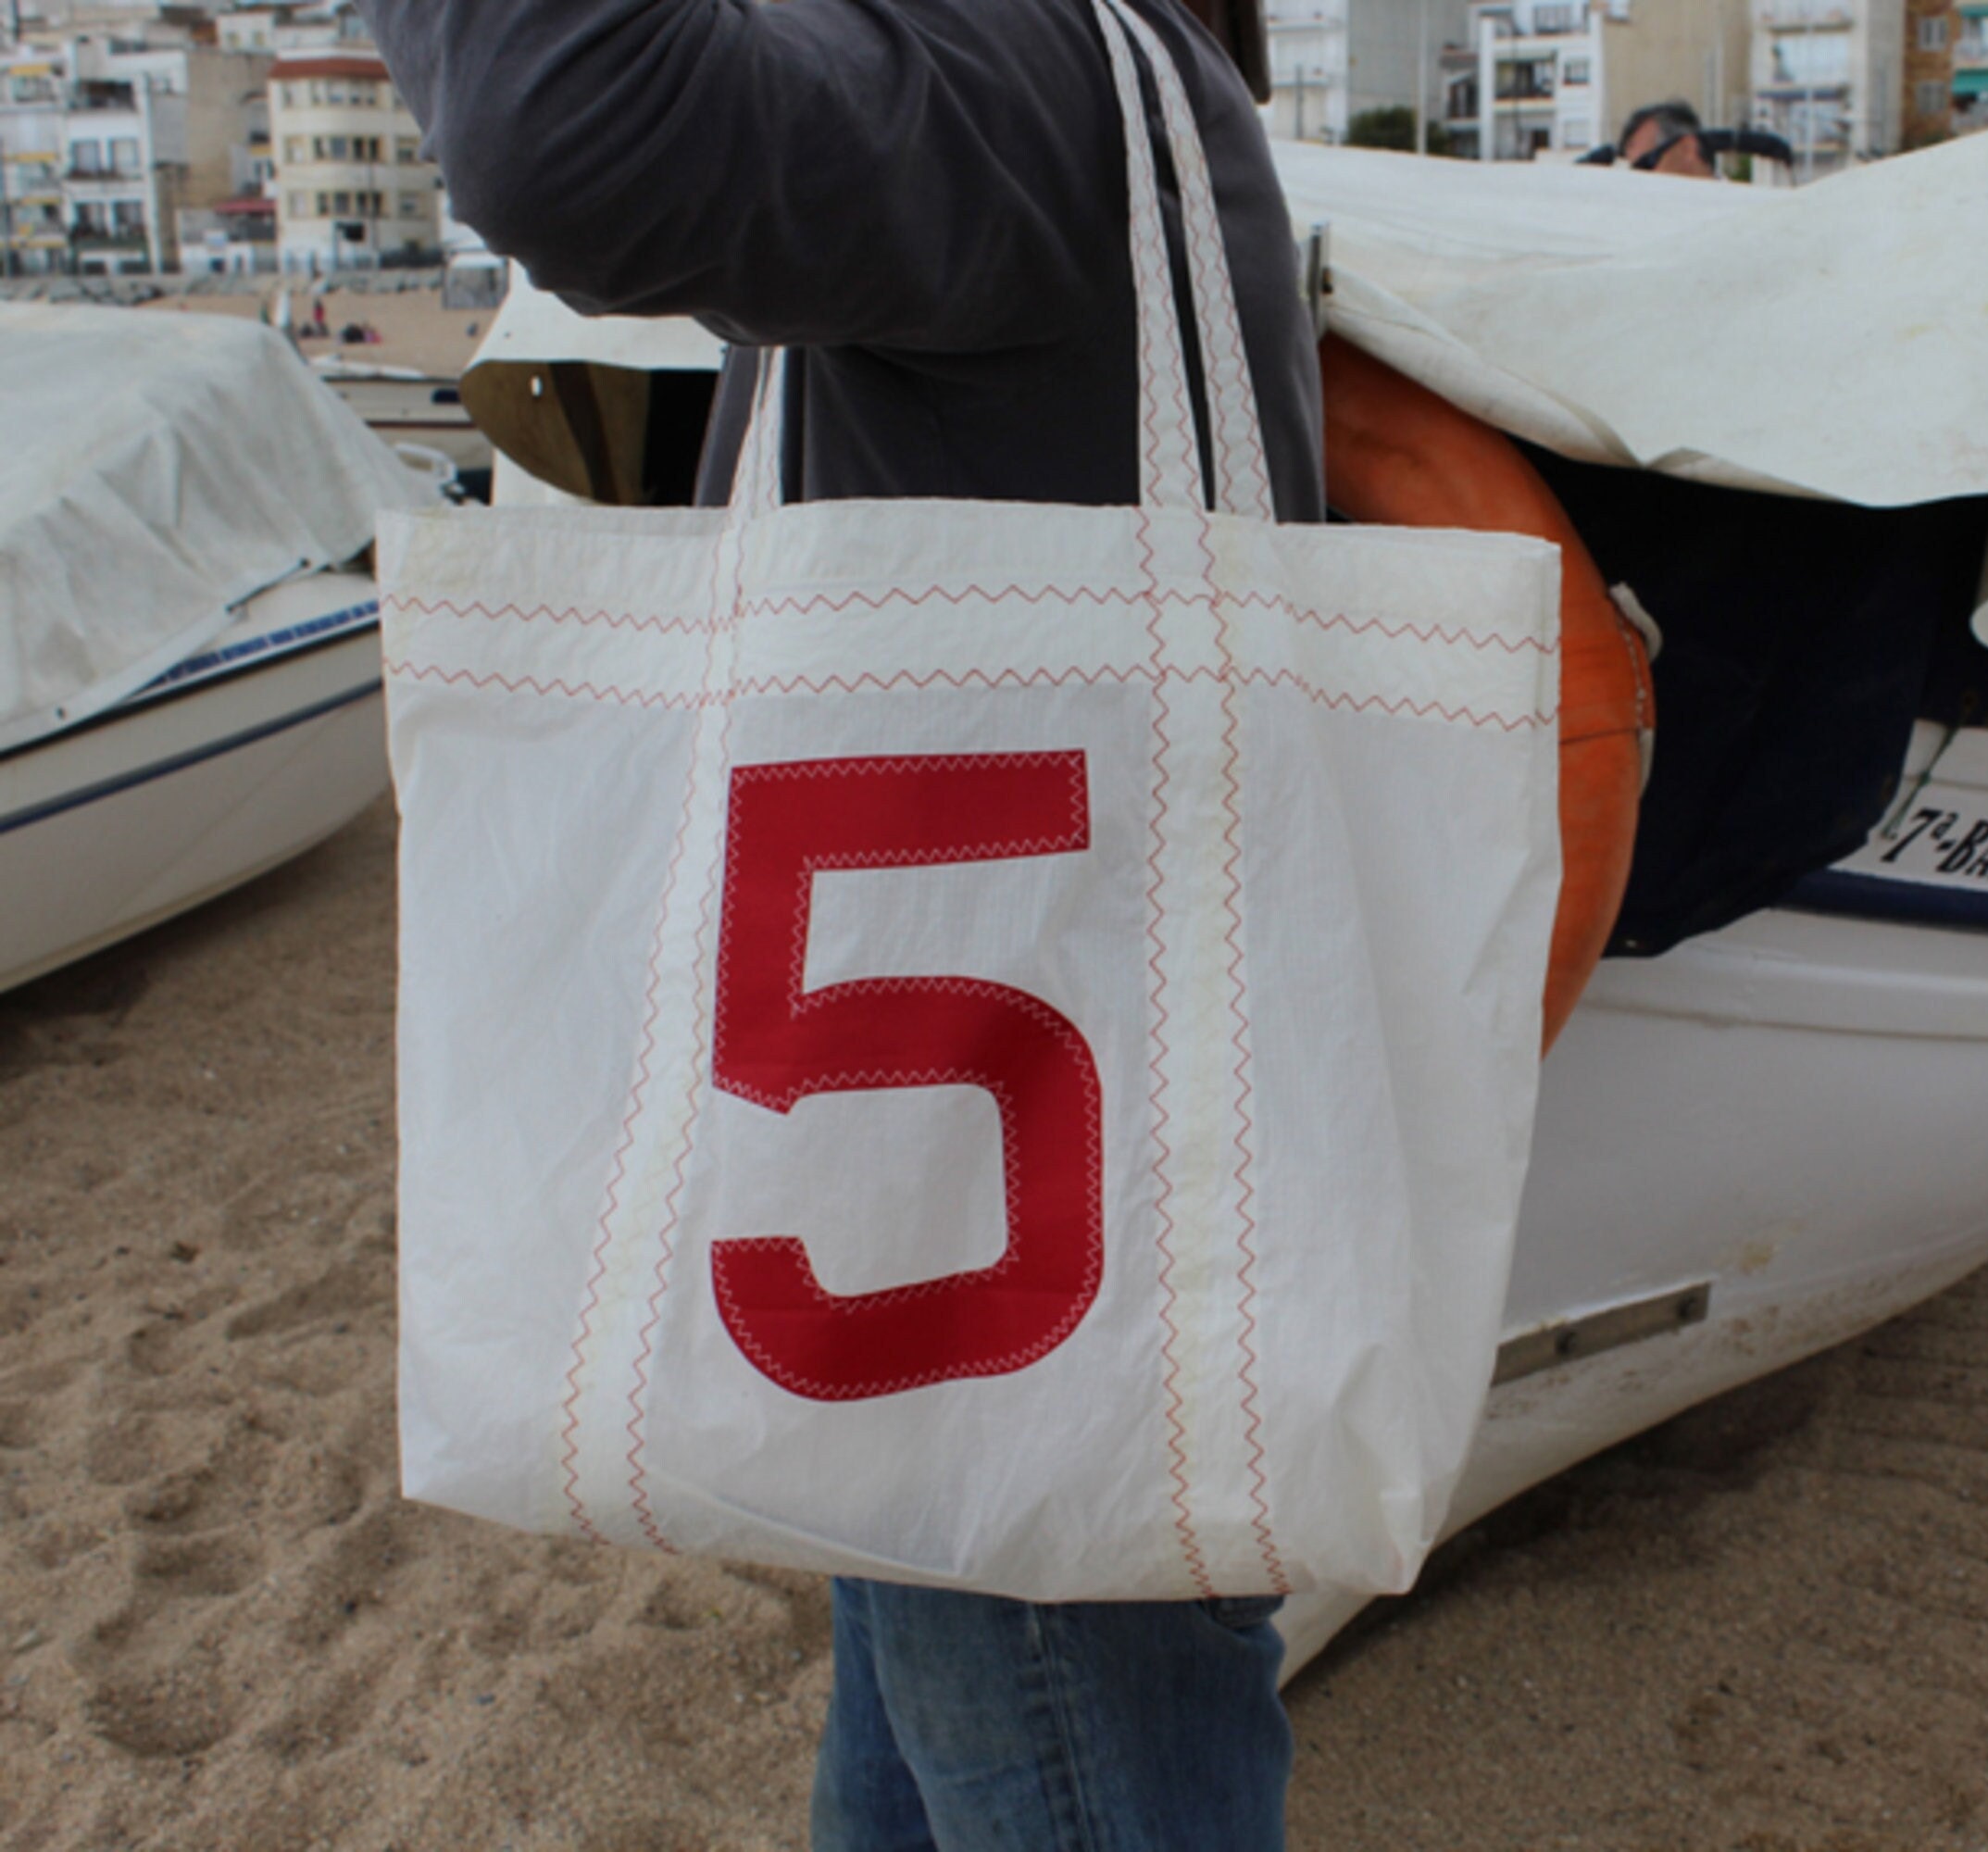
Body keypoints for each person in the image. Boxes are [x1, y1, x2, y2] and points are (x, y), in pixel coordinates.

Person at [354, 0, 1322, 1846]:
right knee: (952, 1682)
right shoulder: (1083, 98)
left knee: (1039, 1678)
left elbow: (572, 133)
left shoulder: (1027, 80)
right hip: (978, 1209)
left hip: (999, 1262)